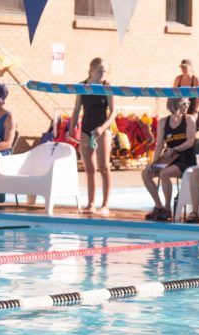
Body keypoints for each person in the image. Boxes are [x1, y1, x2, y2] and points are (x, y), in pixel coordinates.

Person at [71, 57, 116, 216]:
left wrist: (102, 128)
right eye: (99, 71)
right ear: (91, 70)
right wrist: (72, 127)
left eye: (105, 71)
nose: (103, 74)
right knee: (90, 169)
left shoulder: (107, 87)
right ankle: (91, 204)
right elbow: (77, 109)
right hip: (86, 129)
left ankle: (105, 206)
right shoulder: (82, 86)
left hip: (102, 130)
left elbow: (113, 112)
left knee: (104, 168)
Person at [141, 98, 197, 222]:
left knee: (164, 173)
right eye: (184, 103)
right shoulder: (163, 122)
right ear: (174, 104)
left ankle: (167, 208)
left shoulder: (189, 119)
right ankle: (158, 206)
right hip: (169, 158)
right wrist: (154, 161)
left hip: (185, 158)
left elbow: (190, 142)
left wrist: (175, 149)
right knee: (146, 173)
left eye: (189, 103)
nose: (187, 105)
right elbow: (159, 144)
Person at [172, 58, 199, 130]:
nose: (183, 69)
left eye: (185, 67)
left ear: (190, 67)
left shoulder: (195, 79)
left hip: (192, 108)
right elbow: (173, 96)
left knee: (191, 130)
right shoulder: (178, 79)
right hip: (180, 109)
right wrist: (174, 111)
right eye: (182, 67)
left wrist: (196, 112)